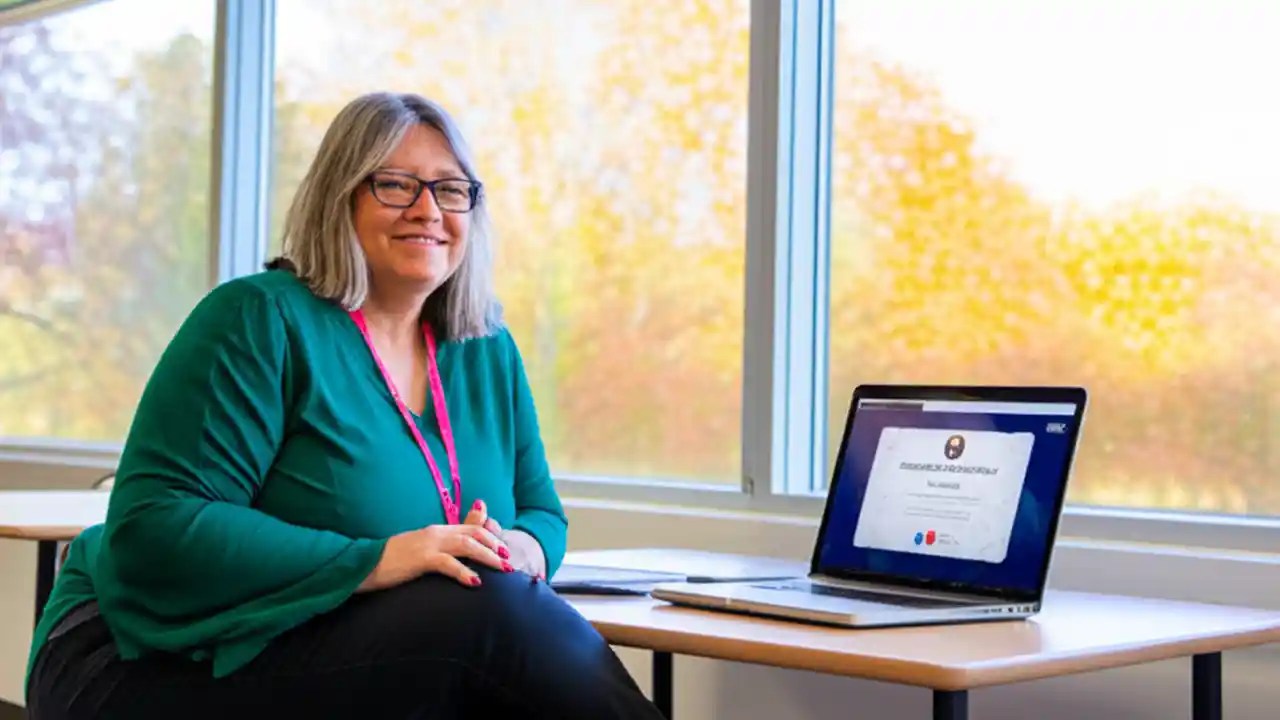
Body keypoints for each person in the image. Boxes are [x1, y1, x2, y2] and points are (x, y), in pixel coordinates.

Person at [25, 91, 665, 720]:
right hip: (154, 654)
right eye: (395, 185)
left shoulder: (486, 349)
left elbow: (542, 515)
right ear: (340, 197)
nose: (428, 210)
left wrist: (519, 551)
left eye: (450, 189)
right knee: (487, 620)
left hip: (362, 643)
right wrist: (382, 557)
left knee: (492, 611)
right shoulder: (260, 318)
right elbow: (155, 529)